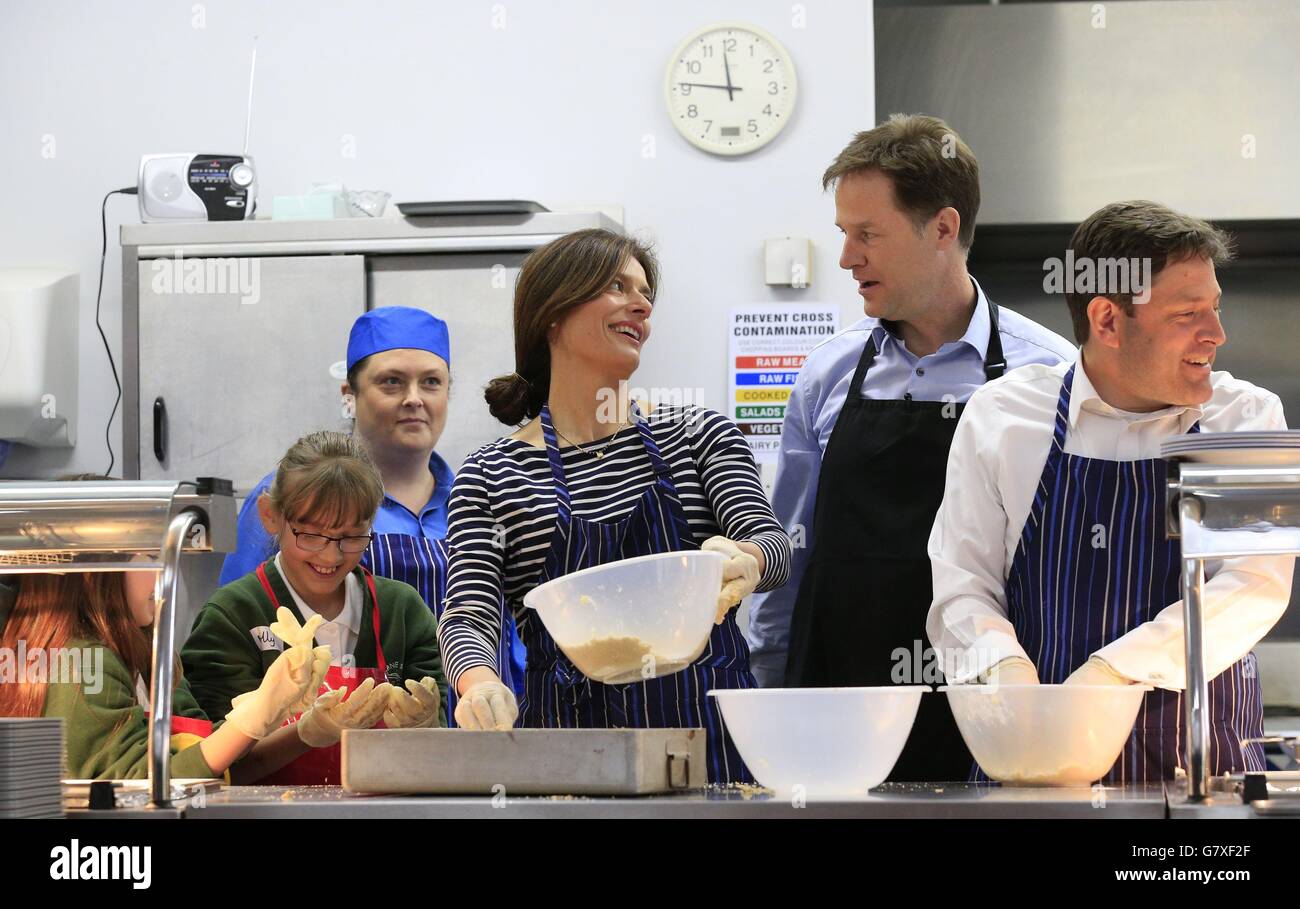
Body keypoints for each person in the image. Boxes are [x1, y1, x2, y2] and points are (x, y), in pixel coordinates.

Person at [747, 114, 1076, 781]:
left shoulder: (1049, 376)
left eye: (867, 234)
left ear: (943, 229)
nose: (846, 257)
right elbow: (792, 556)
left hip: (991, 723)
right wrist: (767, 697)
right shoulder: (824, 378)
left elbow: (1065, 568)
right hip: (837, 724)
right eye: (844, 235)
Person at [928, 200, 1293, 782]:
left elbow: (1254, 587)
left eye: (1215, 308)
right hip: (1033, 777)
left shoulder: (1246, 420)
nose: (1217, 334)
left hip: (1197, 777)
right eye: (1187, 314)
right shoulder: (1002, 416)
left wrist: (1113, 673)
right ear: (1107, 321)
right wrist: (1004, 673)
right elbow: (961, 586)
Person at [438, 228, 792, 784]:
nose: (642, 304)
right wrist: (478, 681)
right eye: (616, 285)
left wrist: (747, 561)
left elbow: (773, 546)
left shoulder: (698, 437)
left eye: (645, 293)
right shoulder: (491, 475)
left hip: (708, 750)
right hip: (569, 753)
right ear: (553, 314)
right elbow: (470, 611)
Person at [218, 306, 524, 717]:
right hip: (337, 742)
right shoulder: (292, 496)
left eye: (431, 382)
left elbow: (513, 636)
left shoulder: (479, 499)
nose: (414, 399)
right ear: (350, 394)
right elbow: (237, 623)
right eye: (392, 382)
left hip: (478, 740)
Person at [183, 431, 448, 785]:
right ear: (270, 515)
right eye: (310, 535)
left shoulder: (402, 610)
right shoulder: (233, 615)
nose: (331, 556)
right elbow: (217, 766)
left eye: (352, 537)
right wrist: (305, 733)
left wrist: (425, 724)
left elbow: (438, 740)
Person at [0, 547, 322, 781]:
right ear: (95, 571)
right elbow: (139, 783)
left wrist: (306, 728)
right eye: (150, 557)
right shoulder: (83, 664)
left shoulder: (152, 655)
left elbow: (211, 763)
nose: (162, 574)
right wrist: (253, 718)